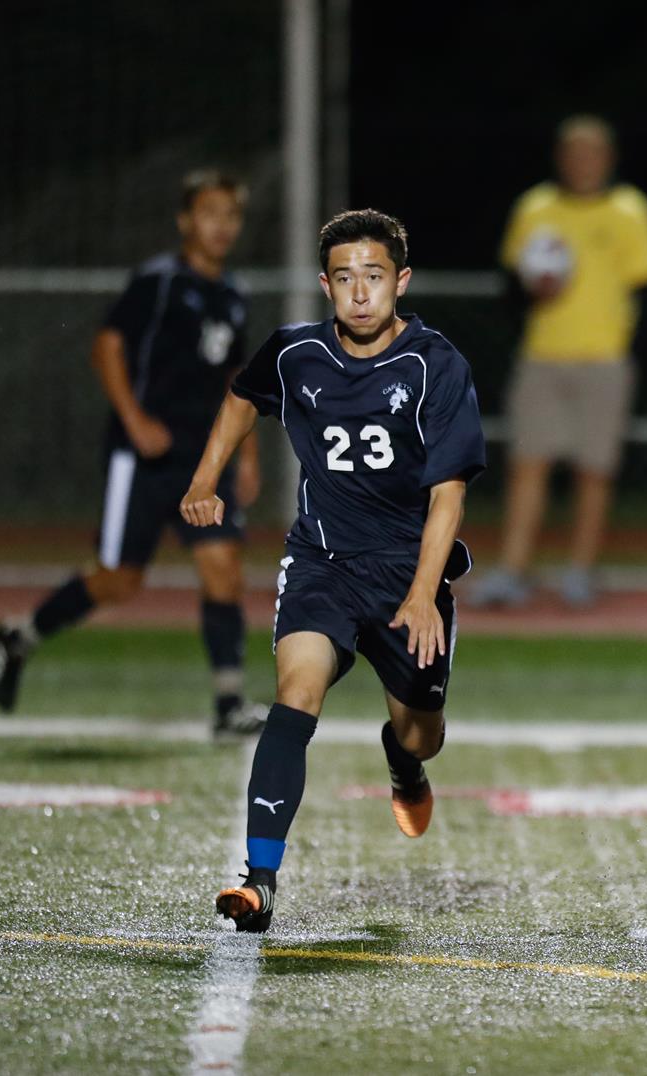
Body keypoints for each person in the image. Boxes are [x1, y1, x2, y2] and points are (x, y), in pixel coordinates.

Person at [181, 209, 486, 932]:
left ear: (400, 282)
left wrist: (420, 596)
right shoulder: (294, 355)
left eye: (374, 277)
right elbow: (239, 398)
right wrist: (203, 482)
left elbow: (449, 495)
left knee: (422, 733)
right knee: (296, 695)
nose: (359, 293)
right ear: (325, 284)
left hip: (407, 574)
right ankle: (259, 881)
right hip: (320, 562)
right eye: (344, 278)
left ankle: (402, 763)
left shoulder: (435, 364)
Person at [0, 169, 266, 738]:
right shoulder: (159, 282)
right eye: (209, 213)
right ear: (186, 220)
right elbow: (106, 345)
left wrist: (248, 453)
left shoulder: (233, 294)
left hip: (200, 459)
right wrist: (135, 421)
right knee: (119, 579)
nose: (221, 226)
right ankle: (22, 634)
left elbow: (237, 380)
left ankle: (228, 703)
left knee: (223, 567)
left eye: (230, 215)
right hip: (139, 458)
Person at [473, 114, 647, 609]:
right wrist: (529, 292)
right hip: (543, 356)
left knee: (594, 469)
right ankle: (513, 570)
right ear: (561, 159)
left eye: (593, 154)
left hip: (605, 359)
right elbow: (510, 287)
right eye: (574, 153)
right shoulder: (535, 208)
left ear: (608, 159)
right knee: (528, 463)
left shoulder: (630, 211)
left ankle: (579, 572)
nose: (583, 163)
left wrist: (633, 353)